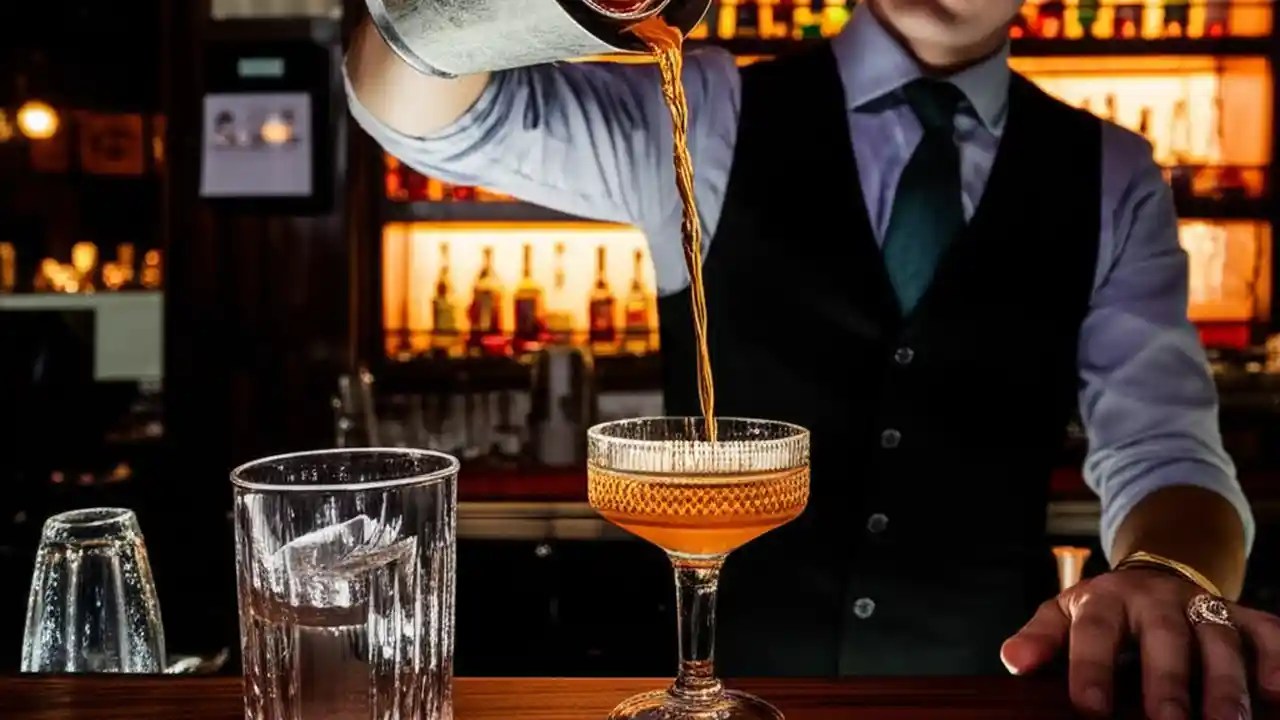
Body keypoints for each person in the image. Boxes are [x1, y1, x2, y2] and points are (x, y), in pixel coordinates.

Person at [345, 0, 1280, 716]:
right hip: (712, 692)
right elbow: (417, 112)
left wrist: (1171, 576)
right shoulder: (713, 104)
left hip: (976, 695)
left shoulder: (1113, 174)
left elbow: (1167, 450)